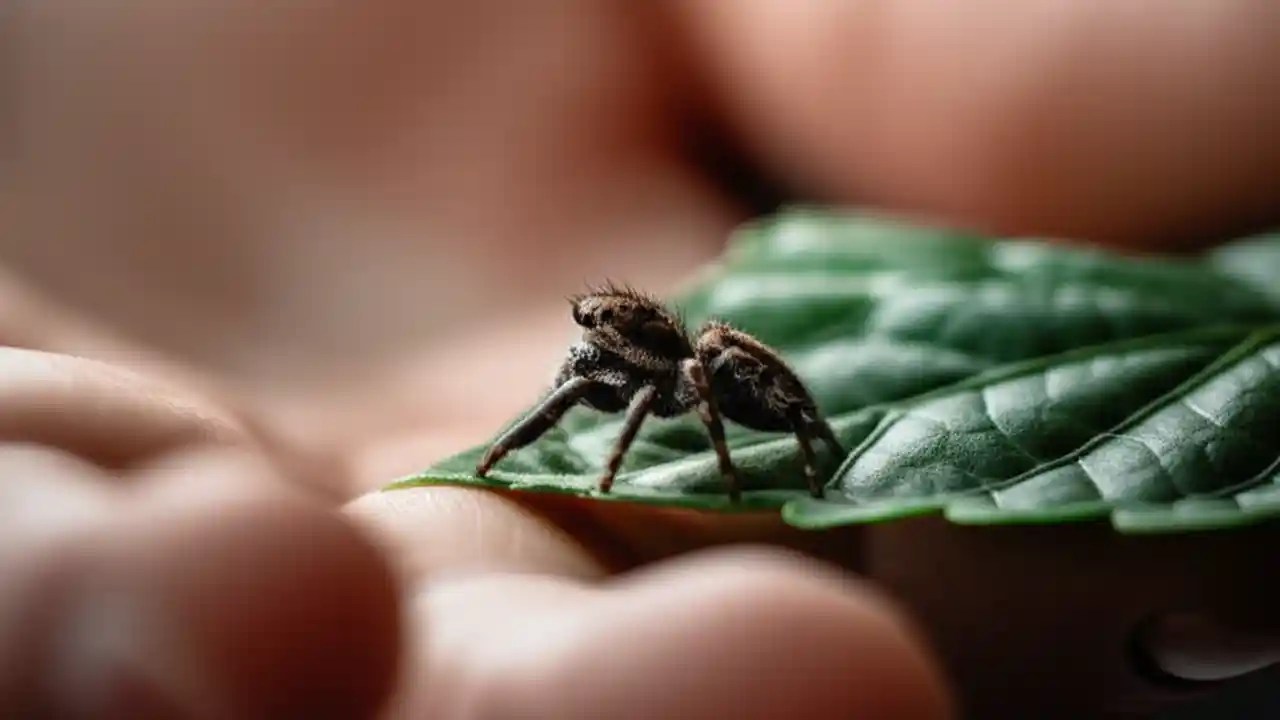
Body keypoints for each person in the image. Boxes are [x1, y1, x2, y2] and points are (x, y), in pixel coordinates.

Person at [2, 2, 1277, 717]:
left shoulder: (702, 356)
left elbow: (714, 398)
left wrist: (667, 464)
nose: (589, 350)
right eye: (599, 335)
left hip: (792, 391)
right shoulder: (628, 354)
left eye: (607, 336)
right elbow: (576, 393)